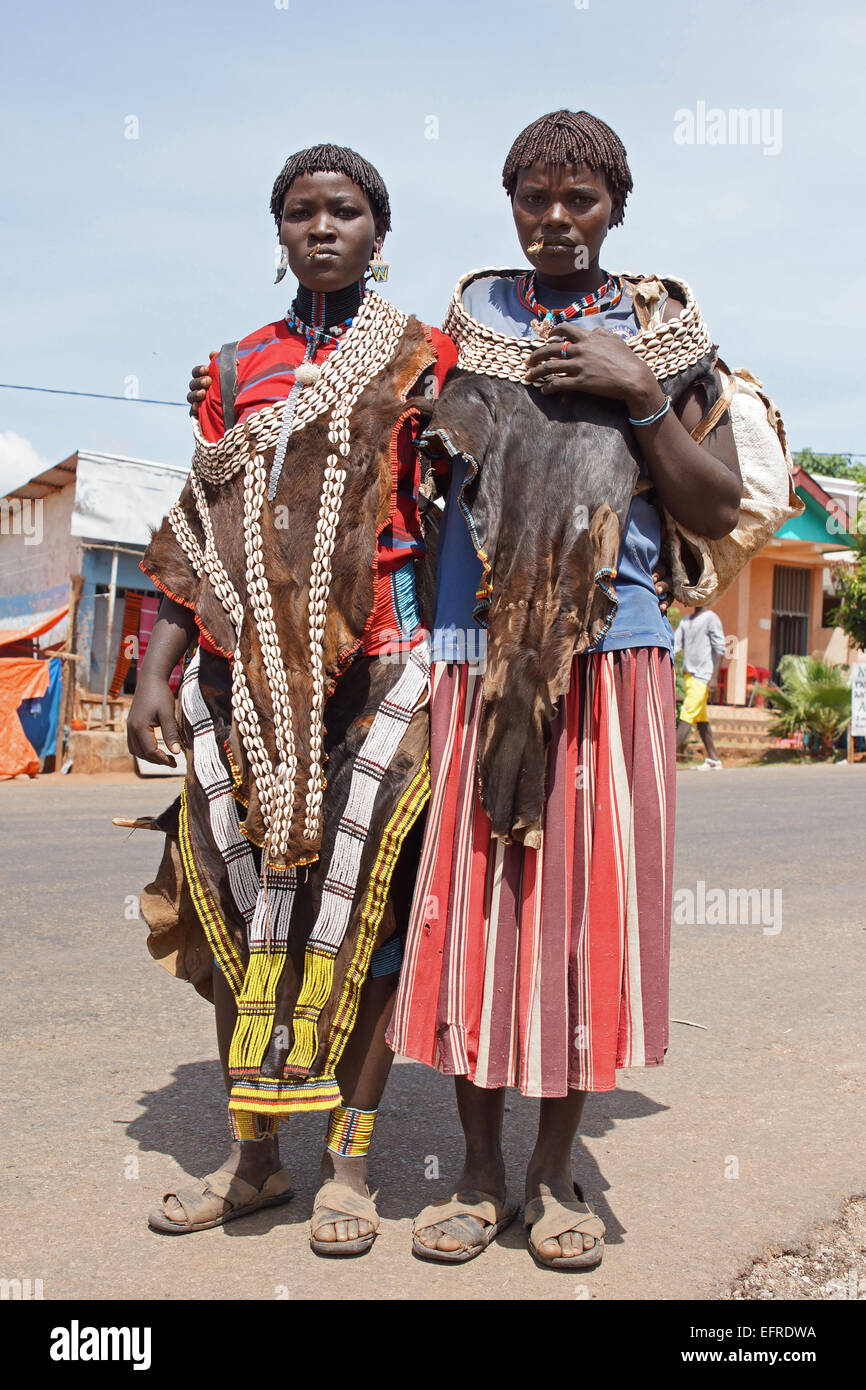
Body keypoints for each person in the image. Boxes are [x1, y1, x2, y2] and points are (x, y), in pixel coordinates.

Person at [385, 109, 742, 1269]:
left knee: (583, 919)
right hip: (470, 654)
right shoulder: (465, 323)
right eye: (532, 197)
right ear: (510, 205)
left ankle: (552, 1178)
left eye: (577, 199)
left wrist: (636, 392)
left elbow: (712, 506)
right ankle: (476, 1173)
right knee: (477, 915)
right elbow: (394, 461)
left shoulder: (665, 332)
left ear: (614, 210)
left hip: (614, 652)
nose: (552, 218)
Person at [125, 144, 455, 1256]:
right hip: (243, 679)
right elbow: (199, 529)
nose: (323, 229)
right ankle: (255, 1158)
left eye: (346, 211)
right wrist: (155, 668)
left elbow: (455, 519)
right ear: (278, 233)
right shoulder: (230, 370)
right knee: (242, 919)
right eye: (301, 213)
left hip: (377, 668)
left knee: (365, 925)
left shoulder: (420, 356)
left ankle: (348, 1169)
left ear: (378, 229)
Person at [674, 605, 728, 768]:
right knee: (701, 720)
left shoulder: (711, 617)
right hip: (688, 676)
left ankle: (667, 760)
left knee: (686, 715)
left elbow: (720, 648)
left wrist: (714, 678)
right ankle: (714, 759)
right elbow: (675, 645)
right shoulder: (685, 621)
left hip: (703, 676)